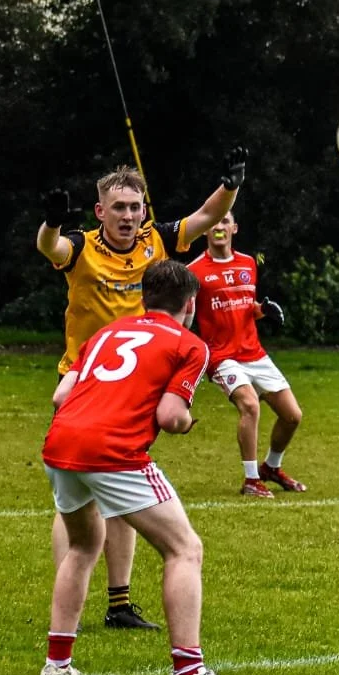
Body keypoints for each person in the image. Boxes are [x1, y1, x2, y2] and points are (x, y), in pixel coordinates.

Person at [35, 152, 246, 631]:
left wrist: (229, 185)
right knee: (83, 499)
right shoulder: (81, 247)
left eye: (136, 207)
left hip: (144, 382)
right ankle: (74, 591)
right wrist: (50, 222)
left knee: (121, 494)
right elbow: (50, 248)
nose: (129, 215)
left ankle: (120, 603)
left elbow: (207, 216)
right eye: (120, 207)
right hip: (84, 381)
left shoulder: (158, 240)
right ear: (100, 212)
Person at [38, 259, 243, 675]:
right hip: (113, 450)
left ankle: (57, 666)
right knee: (185, 549)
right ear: (190, 304)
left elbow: (61, 394)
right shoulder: (190, 345)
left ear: (142, 298)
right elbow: (170, 417)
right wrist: (188, 422)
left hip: (60, 443)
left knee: (81, 545)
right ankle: (189, 672)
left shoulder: (104, 333)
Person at [185, 213, 304, 497]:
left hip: (254, 353)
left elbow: (243, 304)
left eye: (225, 221)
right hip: (221, 356)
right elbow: (186, 317)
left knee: (292, 416)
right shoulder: (193, 271)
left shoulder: (248, 263)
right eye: (213, 222)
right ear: (205, 230)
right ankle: (251, 480)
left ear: (234, 228)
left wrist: (263, 310)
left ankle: (271, 468)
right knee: (250, 406)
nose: (218, 226)